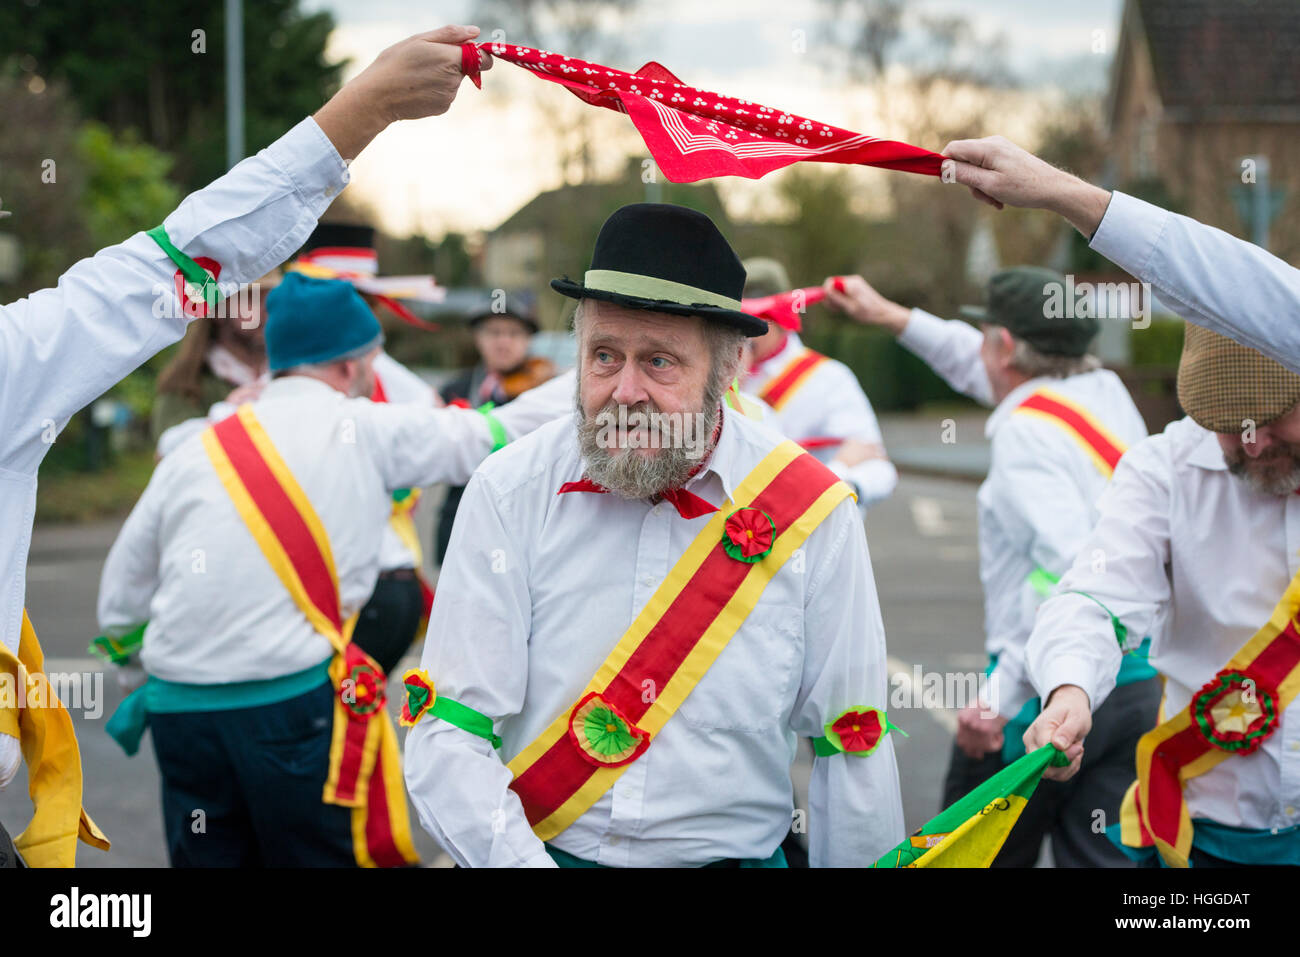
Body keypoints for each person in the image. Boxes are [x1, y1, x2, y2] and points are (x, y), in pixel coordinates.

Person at [0, 23, 494, 866]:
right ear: (351, 355)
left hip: (222, 690)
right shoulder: (186, 412)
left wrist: (130, 653)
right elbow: (165, 269)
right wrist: (363, 107)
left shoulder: (208, 427)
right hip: (302, 677)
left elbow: (164, 276)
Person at [402, 203, 904, 868]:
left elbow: (852, 749)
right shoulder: (508, 489)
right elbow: (448, 729)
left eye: (660, 361)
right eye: (603, 356)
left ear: (728, 372)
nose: (624, 391)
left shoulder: (816, 512)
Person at [96, 273, 552, 867]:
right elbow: (499, 431)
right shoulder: (368, 428)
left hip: (180, 713)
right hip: (285, 709)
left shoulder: (196, 443)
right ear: (354, 362)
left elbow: (123, 596)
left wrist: (138, 675)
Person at [827, 265, 1159, 866]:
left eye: (986, 336)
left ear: (1005, 347)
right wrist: (893, 316)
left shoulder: (1023, 434)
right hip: (1132, 686)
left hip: (1042, 699)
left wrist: (998, 698)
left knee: (968, 859)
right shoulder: (1104, 394)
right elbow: (980, 358)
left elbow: (1066, 575)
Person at [1023, 325, 1300, 868]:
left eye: (1272, 419)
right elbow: (1098, 595)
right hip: (1207, 836)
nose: (1252, 442)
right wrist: (1069, 690)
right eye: (1226, 425)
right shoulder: (1164, 469)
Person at [940, 135, 1300, 374]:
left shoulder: (1030, 429)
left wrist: (1059, 191)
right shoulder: (1104, 394)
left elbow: (1255, 294)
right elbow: (1257, 294)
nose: (1255, 443)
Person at [742, 257, 898, 510]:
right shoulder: (713, 375)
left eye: (757, 316)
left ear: (783, 314)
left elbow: (877, 466)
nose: (744, 331)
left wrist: (838, 483)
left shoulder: (829, 379)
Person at [435, 299, 556, 562]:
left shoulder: (543, 392)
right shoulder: (455, 388)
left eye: (513, 334)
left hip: (523, 516)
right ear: (478, 339)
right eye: (494, 333)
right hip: (460, 512)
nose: (503, 342)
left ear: (528, 340)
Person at [151, 269, 279, 442]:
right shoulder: (185, 387)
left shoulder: (291, 372)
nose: (266, 308)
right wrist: (225, 416)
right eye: (251, 298)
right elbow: (171, 458)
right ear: (218, 309)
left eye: (271, 297)